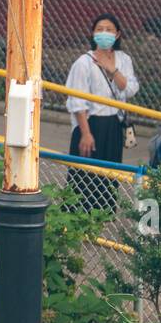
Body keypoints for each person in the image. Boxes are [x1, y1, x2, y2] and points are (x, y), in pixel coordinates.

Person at [65, 13, 140, 212]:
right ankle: (78, 217)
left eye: (109, 29)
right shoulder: (84, 62)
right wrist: (86, 133)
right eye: (99, 29)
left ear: (118, 34)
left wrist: (112, 70)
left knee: (108, 174)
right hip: (91, 124)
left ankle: (102, 216)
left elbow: (130, 89)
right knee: (85, 175)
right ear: (92, 33)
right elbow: (76, 100)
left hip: (114, 124)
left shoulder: (124, 60)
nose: (104, 33)